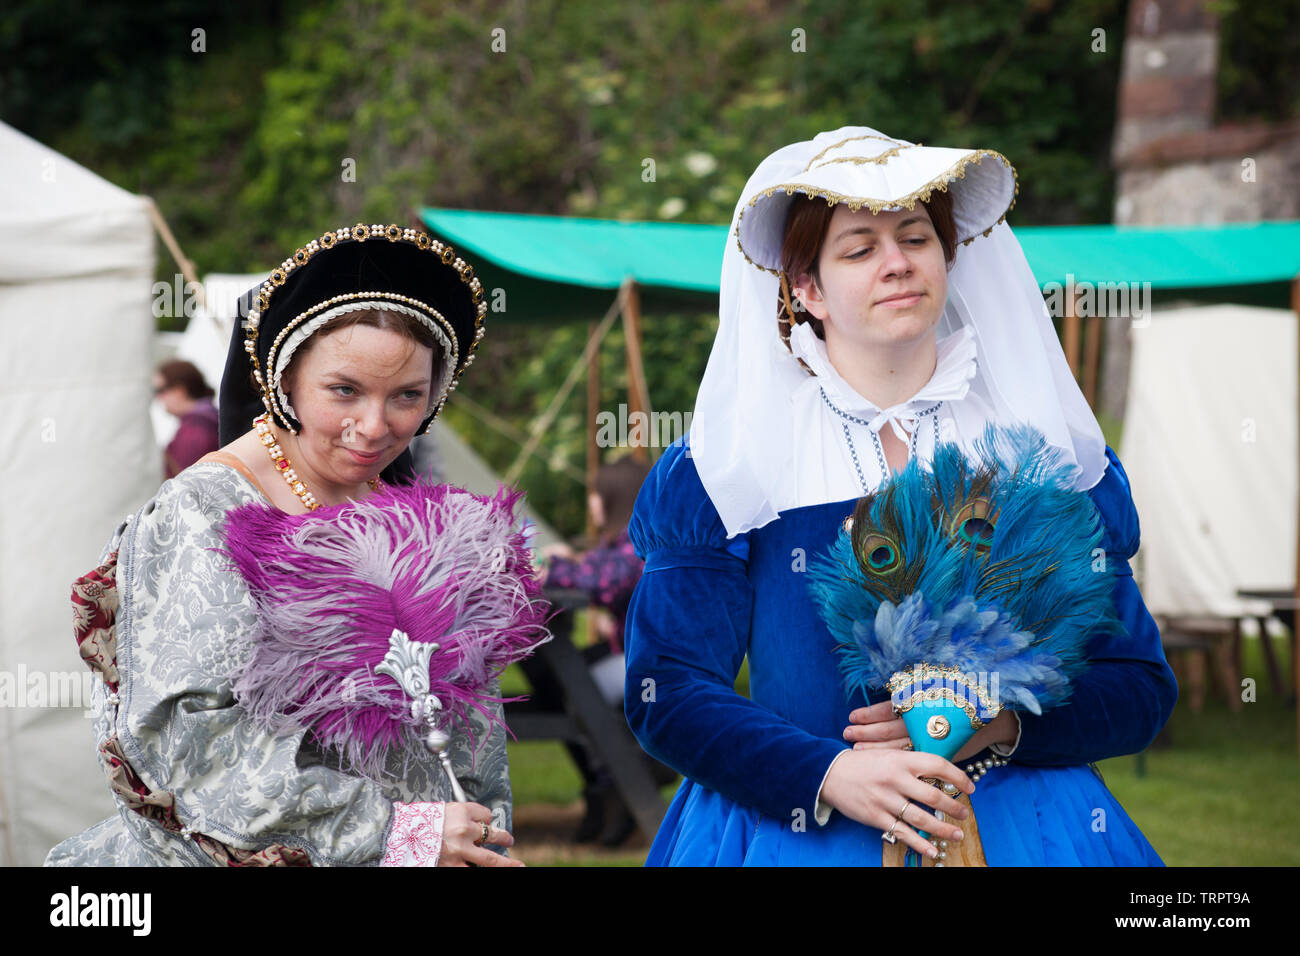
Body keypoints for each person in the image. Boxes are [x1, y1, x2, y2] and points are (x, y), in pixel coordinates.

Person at [623, 127, 1178, 866]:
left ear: (947, 258)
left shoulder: (1036, 449)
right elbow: (669, 689)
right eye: (858, 249)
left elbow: (1138, 686)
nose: (896, 264)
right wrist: (828, 774)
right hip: (797, 834)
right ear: (807, 289)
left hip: (1027, 831)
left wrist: (1004, 724)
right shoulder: (732, 461)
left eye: (916, 238)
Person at [48, 223, 537, 867]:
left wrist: (479, 829)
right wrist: (395, 835)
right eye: (344, 390)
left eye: (408, 397)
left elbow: (467, 719)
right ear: (285, 378)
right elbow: (186, 744)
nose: (374, 426)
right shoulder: (201, 512)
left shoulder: (414, 515)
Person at [153, 359, 220, 478]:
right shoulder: (213, 418)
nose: (158, 397)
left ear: (179, 390)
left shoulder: (194, 431)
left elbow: (188, 482)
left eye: (160, 390)